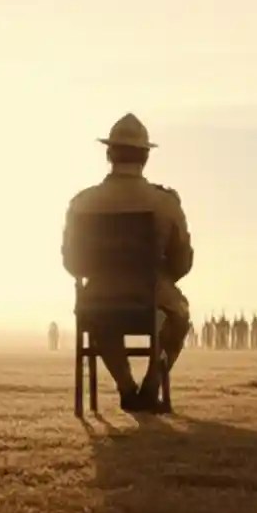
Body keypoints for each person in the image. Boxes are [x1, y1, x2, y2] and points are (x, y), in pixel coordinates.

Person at [62, 113, 193, 412]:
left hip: (98, 298)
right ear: (146, 157)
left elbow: (72, 262)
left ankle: (126, 387)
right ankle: (151, 386)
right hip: (150, 293)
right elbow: (182, 261)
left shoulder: (82, 203)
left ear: (109, 154)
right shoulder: (165, 202)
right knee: (180, 316)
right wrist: (162, 278)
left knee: (99, 317)